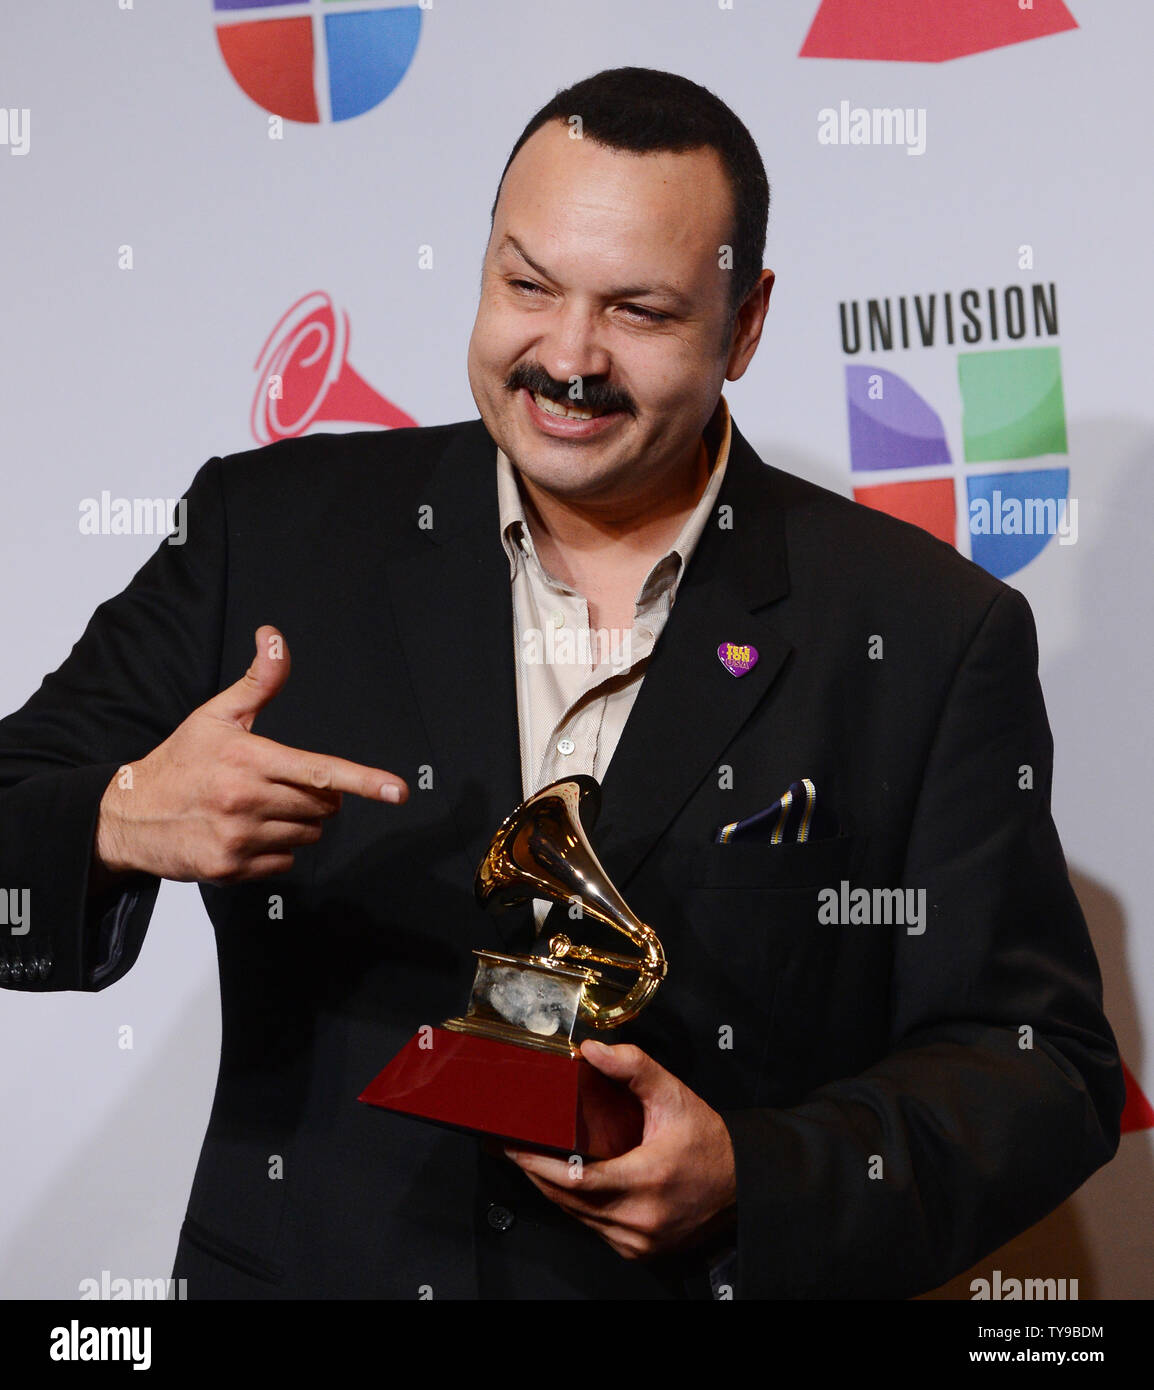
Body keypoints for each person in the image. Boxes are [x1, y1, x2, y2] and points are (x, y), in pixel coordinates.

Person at [0, 68, 1123, 1300]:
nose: (567, 358)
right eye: (526, 286)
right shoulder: (263, 535)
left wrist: (759, 1172)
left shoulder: (924, 632)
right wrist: (111, 821)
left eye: (637, 310)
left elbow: (1039, 1068)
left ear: (744, 324)